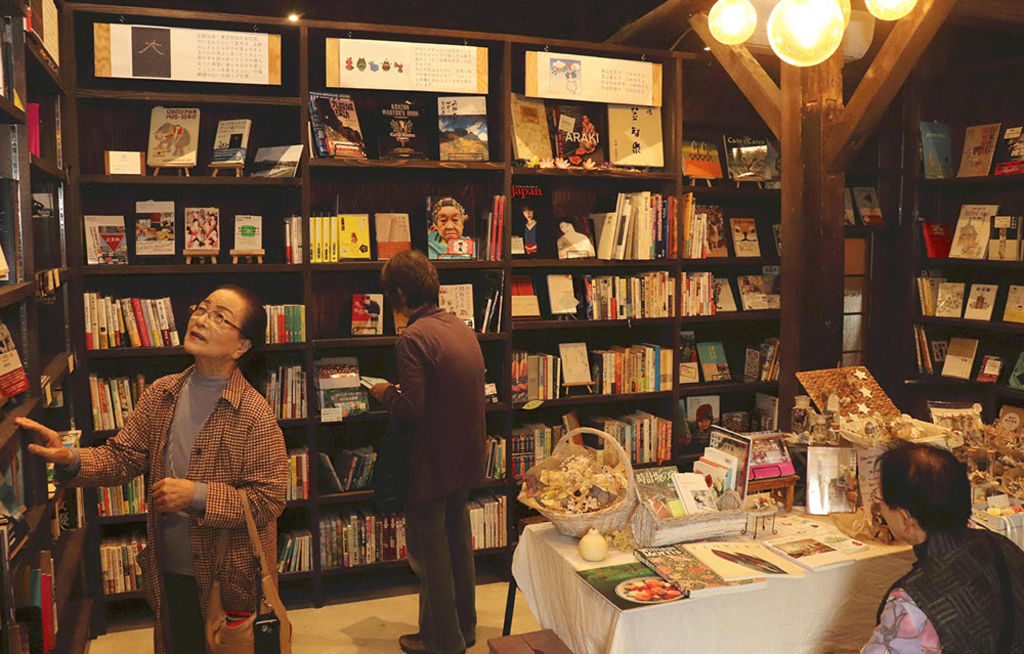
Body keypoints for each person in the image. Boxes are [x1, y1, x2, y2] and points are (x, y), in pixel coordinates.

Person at [20, 285, 288, 654]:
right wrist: (71, 458)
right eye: (201, 308)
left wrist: (196, 495)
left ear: (241, 347)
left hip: (229, 580)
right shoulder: (163, 393)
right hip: (170, 566)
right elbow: (122, 456)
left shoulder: (254, 414)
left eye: (220, 317)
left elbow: (269, 498)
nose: (201, 319)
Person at [369, 250, 486, 654]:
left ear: (399, 292)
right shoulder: (458, 326)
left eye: (388, 292)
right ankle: (464, 628)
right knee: (458, 544)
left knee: (432, 554)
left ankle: (443, 641)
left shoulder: (413, 338)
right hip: (465, 456)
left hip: (432, 462)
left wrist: (384, 392)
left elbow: (412, 408)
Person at [862, 442, 1024, 654]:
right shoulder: (1003, 545)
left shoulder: (911, 602)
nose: (880, 508)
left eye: (880, 499)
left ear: (906, 518)